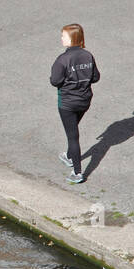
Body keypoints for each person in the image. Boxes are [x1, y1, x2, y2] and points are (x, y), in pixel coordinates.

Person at [50, 23, 100, 184]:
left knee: (73, 136)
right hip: (85, 101)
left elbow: (55, 81)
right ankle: (70, 155)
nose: (61, 38)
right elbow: (95, 77)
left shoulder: (62, 59)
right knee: (72, 129)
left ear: (72, 38)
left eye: (64, 35)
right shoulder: (88, 56)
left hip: (67, 103)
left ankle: (77, 171)